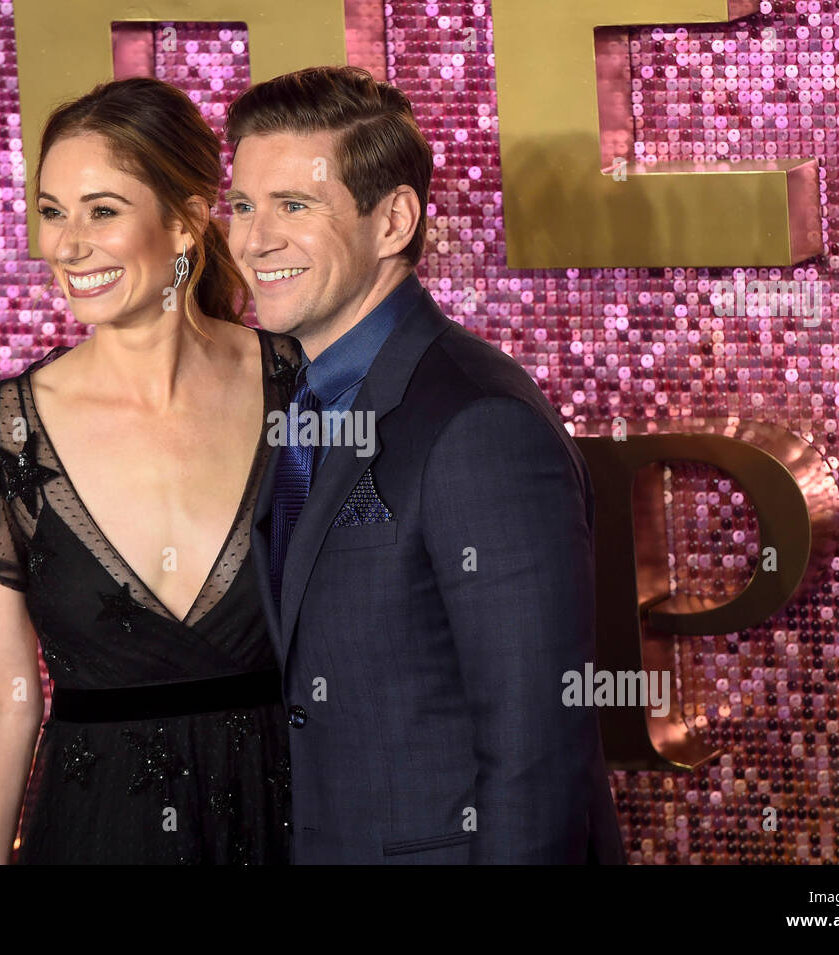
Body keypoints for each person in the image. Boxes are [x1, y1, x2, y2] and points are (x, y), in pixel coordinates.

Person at [225, 66, 625, 864]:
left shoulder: (480, 421)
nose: (252, 239)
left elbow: (536, 753)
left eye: (294, 206)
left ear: (393, 220)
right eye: (242, 205)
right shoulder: (304, 400)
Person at [0, 77, 297, 864]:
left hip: (294, 819)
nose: (68, 244)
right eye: (53, 212)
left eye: (102, 210)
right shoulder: (2, 431)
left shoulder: (307, 388)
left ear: (188, 222)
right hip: (96, 835)